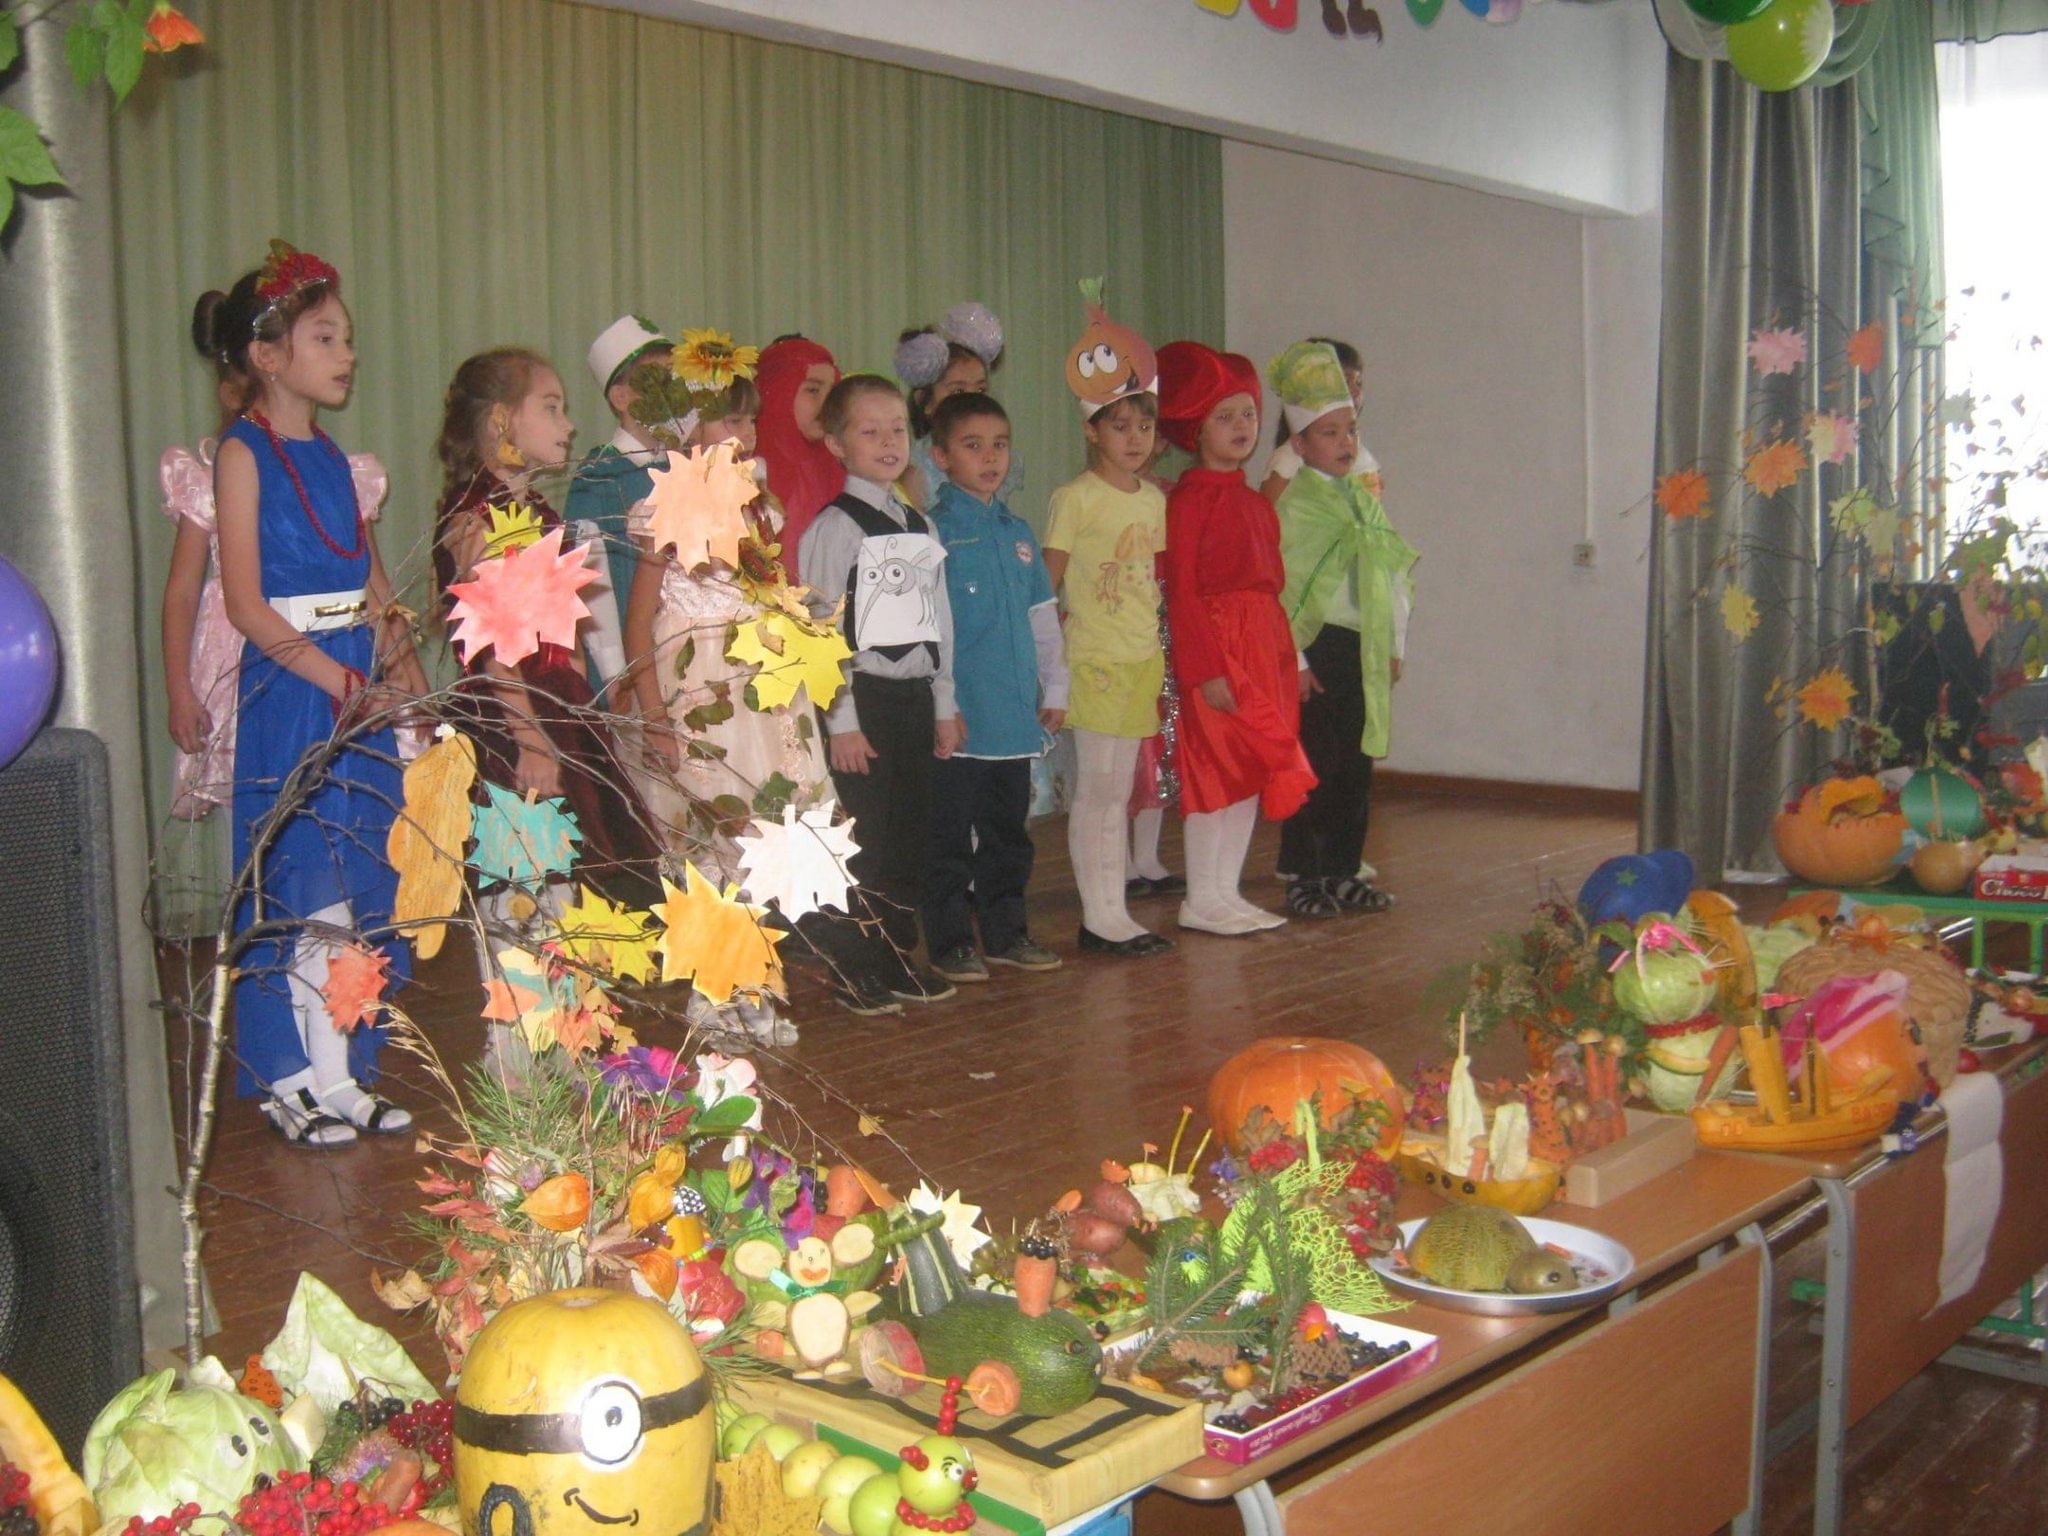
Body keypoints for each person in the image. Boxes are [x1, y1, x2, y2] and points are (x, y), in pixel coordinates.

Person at [199, 242, 427, 1147]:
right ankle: (297, 1078)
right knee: (304, 896)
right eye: (326, 337)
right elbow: (247, 606)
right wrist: (339, 681)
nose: (347, 354)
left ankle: (343, 1074)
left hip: (354, 687)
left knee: (357, 891)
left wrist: (401, 676)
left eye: (347, 338)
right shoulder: (240, 453)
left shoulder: (338, 462)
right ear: (267, 354)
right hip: (297, 692)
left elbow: (376, 590)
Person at [432, 347, 659, 945]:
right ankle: (526, 1031)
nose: (568, 424)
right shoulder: (476, 516)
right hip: (514, 715)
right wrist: (529, 737)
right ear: (502, 421)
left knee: (573, 894)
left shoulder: (534, 509)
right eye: (552, 408)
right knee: (527, 890)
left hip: (559, 706)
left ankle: (570, 1027)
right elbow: (490, 642)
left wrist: (584, 709)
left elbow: (565, 632)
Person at [622, 369, 820, 1047]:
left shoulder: (758, 502)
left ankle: (754, 981)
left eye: (749, 421)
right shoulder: (666, 507)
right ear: (690, 432)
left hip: (757, 691)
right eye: (729, 422)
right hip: (696, 690)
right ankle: (713, 989)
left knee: (759, 840)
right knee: (708, 843)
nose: (745, 435)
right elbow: (639, 622)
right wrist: (653, 716)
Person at [159, 374, 395, 820]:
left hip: (331, 646)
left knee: (346, 795)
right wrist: (180, 691)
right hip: (243, 658)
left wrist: (403, 668)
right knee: (269, 799)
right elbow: (182, 592)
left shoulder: (330, 473)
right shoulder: (216, 476)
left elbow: (372, 582)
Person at [797, 375, 960, 1013]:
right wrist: (841, 720)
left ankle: (896, 953)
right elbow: (820, 628)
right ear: (837, 444)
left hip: (912, 698)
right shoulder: (835, 527)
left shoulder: (919, 521)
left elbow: (938, 621)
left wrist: (943, 705)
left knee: (908, 835)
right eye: (870, 431)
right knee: (863, 839)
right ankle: (854, 962)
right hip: (859, 699)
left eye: (898, 429)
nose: (889, 441)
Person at [1157, 340, 1316, 936]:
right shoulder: (1190, 502)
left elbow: (1272, 588)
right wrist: (1206, 669)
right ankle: (1201, 896)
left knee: (1249, 767)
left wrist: (1287, 656)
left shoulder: (1254, 503)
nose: (1241, 425)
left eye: (1247, 412)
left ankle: (1226, 891)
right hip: (1220, 650)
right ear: (1196, 429)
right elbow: (1184, 591)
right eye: (1224, 416)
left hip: (1263, 644)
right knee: (1215, 769)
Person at [1042, 286, 1173, 956]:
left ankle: (1117, 911)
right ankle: (1098, 916)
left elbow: (1148, 581)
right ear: (1092, 429)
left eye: (1144, 427)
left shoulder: (1153, 502)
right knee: (1095, 792)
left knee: (1122, 788)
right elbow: (1049, 583)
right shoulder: (1075, 498)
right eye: (1119, 426)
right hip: (1091, 657)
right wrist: (1049, 670)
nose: (1134, 440)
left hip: (1136, 658)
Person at [921, 391, 1069, 983]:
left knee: (1010, 833)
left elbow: (1043, 616)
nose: (990, 458)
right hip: (960, 715)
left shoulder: (1019, 532)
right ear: (940, 456)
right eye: (972, 445)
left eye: (1000, 445)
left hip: (1013, 715)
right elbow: (932, 629)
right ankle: (950, 941)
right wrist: (944, 702)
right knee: (951, 837)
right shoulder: (933, 532)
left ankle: (1008, 932)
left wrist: (1055, 688)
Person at [1270, 341, 1414, 917]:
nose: (1344, 444)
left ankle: (1343, 868)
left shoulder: (1363, 499)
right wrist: (1296, 659)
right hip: (1315, 644)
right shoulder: (1294, 505)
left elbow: (1392, 570)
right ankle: (1305, 874)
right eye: (1329, 434)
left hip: (1362, 643)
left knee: (1356, 763)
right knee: (1315, 763)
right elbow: (1279, 586)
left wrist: (1394, 644)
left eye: (1350, 431)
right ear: (1299, 444)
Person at [560, 315, 676, 693]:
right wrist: (615, 676)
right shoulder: (600, 476)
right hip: (631, 670)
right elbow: (591, 584)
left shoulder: (683, 464)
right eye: (659, 381)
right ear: (621, 397)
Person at [895, 302, 1021, 511]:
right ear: (924, 401)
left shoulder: (991, 455)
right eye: (957, 392)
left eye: (980, 390)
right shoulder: (918, 474)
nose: (971, 401)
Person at [1259, 336, 1379, 505]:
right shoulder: (1287, 461)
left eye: (1358, 382)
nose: (1355, 392)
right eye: (1344, 382)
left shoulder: (1358, 456)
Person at [754, 335, 844, 557]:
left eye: (832, 392)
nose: (826, 403)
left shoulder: (839, 467)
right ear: (779, 391)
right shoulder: (750, 471)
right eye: (813, 390)